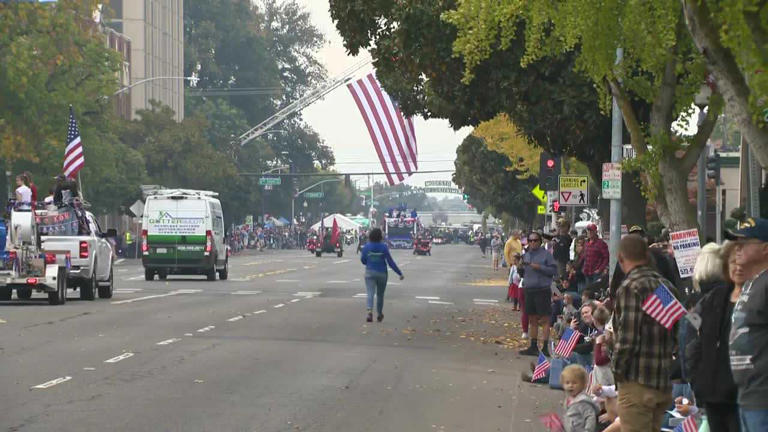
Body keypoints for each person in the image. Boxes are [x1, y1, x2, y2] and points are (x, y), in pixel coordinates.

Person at [612, 234, 677, 432]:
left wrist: (617, 370)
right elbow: (675, 330)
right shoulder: (664, 286)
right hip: (661, 380)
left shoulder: (631, 287)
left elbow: (628, 339)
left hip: (636, 381)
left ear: (621, 258)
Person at [685, 241, 741, 432]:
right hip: (726, 389)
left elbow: (690, 346)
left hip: (716, 389)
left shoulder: (700, 304)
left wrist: (697, 382)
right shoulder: (711, 301)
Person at [726, 218, 768, 431]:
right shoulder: (752, 283)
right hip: (746, 395)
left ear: (765, 248)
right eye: (736, 243)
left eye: (744, 243)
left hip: (763, 397)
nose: (737, 248)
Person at [518, 231, 558, 356]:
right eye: (530, 241)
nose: (532, 243)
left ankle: (545, 347)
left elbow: (553, 270)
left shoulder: (546, 255)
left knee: (545, 319)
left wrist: (539, 267)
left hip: (542, 290)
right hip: (529, 289)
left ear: (540, 242)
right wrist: (520, 267)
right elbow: (523, 273)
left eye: (535, 240)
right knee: (532, 319)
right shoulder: (526, 255)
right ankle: (533, 346)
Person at [360, 228, 404, 323]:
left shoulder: (367, 246)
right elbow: (390, 262)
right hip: (382, 273)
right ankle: (379, 313)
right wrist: (399, 273)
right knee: (380, 294)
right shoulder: (384, 247)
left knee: (370, 293)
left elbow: (363, 260)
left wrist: (369, 261)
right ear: (380, 237)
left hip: (370, 272)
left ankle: (369, 312)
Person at [561, 364, 599, 432]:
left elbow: (590, 417)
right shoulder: (569, 399)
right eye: (567, 383)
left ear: (583, 384)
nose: (570, 385)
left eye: (574, 383)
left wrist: (588, 430)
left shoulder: (583, 402)